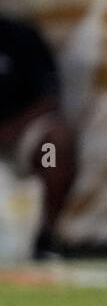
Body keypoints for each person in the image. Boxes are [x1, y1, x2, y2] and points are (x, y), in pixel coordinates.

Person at [0, 15, 77, 260]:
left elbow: (49, 98)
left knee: (56, 145)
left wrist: (10, 131)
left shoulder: (19, 36)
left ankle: (46, 236)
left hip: (19, 139)